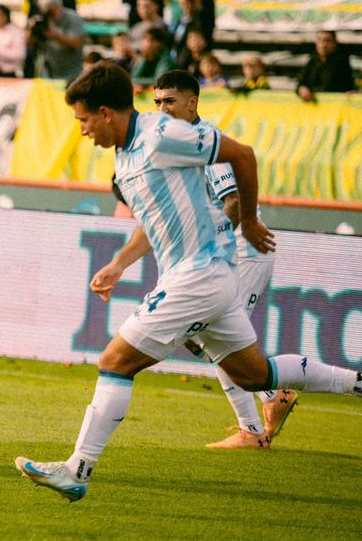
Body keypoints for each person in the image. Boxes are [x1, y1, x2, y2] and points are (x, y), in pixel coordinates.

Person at [15, 62, 362, 502]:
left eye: (83, 120)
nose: (82, 130)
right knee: (255, 374)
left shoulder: (161, 134)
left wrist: (252, 220)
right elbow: (153, 220)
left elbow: (242, 155)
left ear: (106, 113)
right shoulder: (125, 158)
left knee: (114, 361)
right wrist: (119, 265)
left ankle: (77, 470)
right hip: (208, 279)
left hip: (199, 274)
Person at [92, 70, 298, 450]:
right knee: (205, 340)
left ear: (192, 102)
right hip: (215, 258)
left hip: (240, 252)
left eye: (170, 101)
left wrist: (210, 241)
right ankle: (267, 406)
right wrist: (122, 262)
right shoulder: (167, 144)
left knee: (210, 338)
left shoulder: (205, 142)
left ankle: (256, 424)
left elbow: (233, 201)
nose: (162, 109)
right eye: (156, 102)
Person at [27, 0, 85, 82]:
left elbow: (76, 43)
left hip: (71, 74)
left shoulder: (72, 18)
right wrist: (31, 29)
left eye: (50, 11)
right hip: (48, 73)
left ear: (58, 6)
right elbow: (30, 43)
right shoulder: (42, 20)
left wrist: (55, 36)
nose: (48, 15)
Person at [296, 30, 355, 100]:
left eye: (327, 41)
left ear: (334, 43)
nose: (323, 45)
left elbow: (348, 88)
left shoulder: (342, 63)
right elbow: (301, 83)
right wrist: (302, 89)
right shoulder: (312, 61)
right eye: (320, 40)